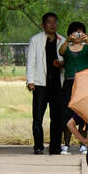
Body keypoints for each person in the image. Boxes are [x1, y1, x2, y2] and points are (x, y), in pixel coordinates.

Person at [26, 11, 66, 155]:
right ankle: (38, 146)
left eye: (54, 22)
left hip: (57, 83)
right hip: (40, 83)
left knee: (57, 118)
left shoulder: (62, 40)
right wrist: (30, 80)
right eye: (49, 22)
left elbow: (67, 59)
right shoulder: (35, 40)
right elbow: (31, 61)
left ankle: (55, 147)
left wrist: (62, 63)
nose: (52, 25)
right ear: (43, 25)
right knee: (37, 117)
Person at [59, 21, 88, 153]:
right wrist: (67, 41)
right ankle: (66, 144)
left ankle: (83, 144)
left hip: (84, 84)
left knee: (83, 115)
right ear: (70, 34)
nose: (78, 34)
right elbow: (61, 51)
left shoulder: (86, 48)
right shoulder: (67, 47)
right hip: (69, 83)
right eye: (75, 32)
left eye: (80, 32)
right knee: (67, 113)